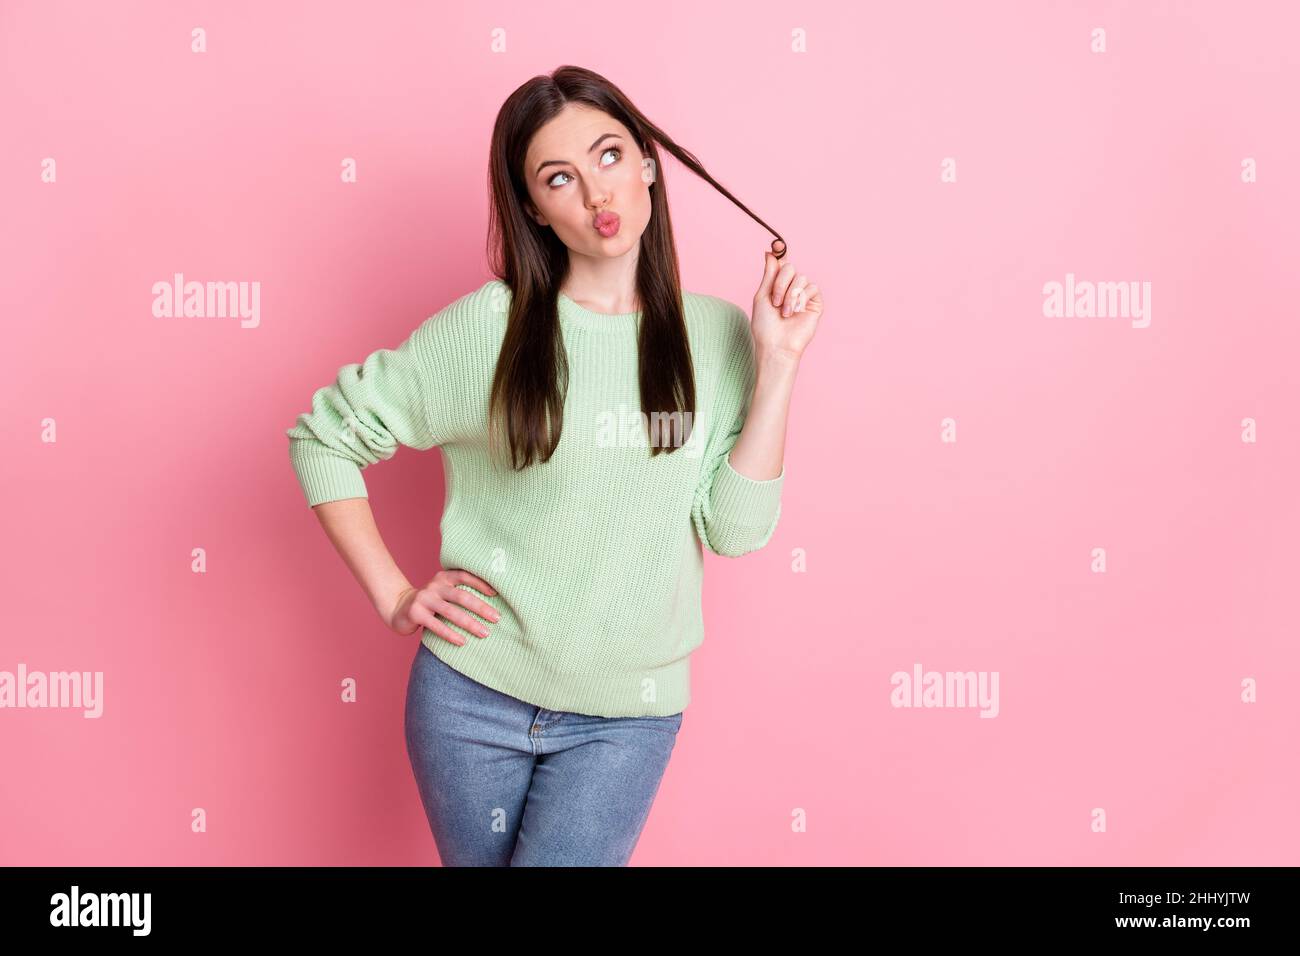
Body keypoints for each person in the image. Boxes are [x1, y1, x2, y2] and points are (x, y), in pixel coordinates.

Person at [285, 65, 824, 866]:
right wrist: (394, 595)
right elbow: (322, 437)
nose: (596, 194)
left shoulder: (718, 340)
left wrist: (777, 366)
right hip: (470, 703)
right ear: (534, 207)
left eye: (609, 156)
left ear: (647, 163)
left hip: (625, 720)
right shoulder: (489, 331)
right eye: (560, 178)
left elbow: (737, 531)